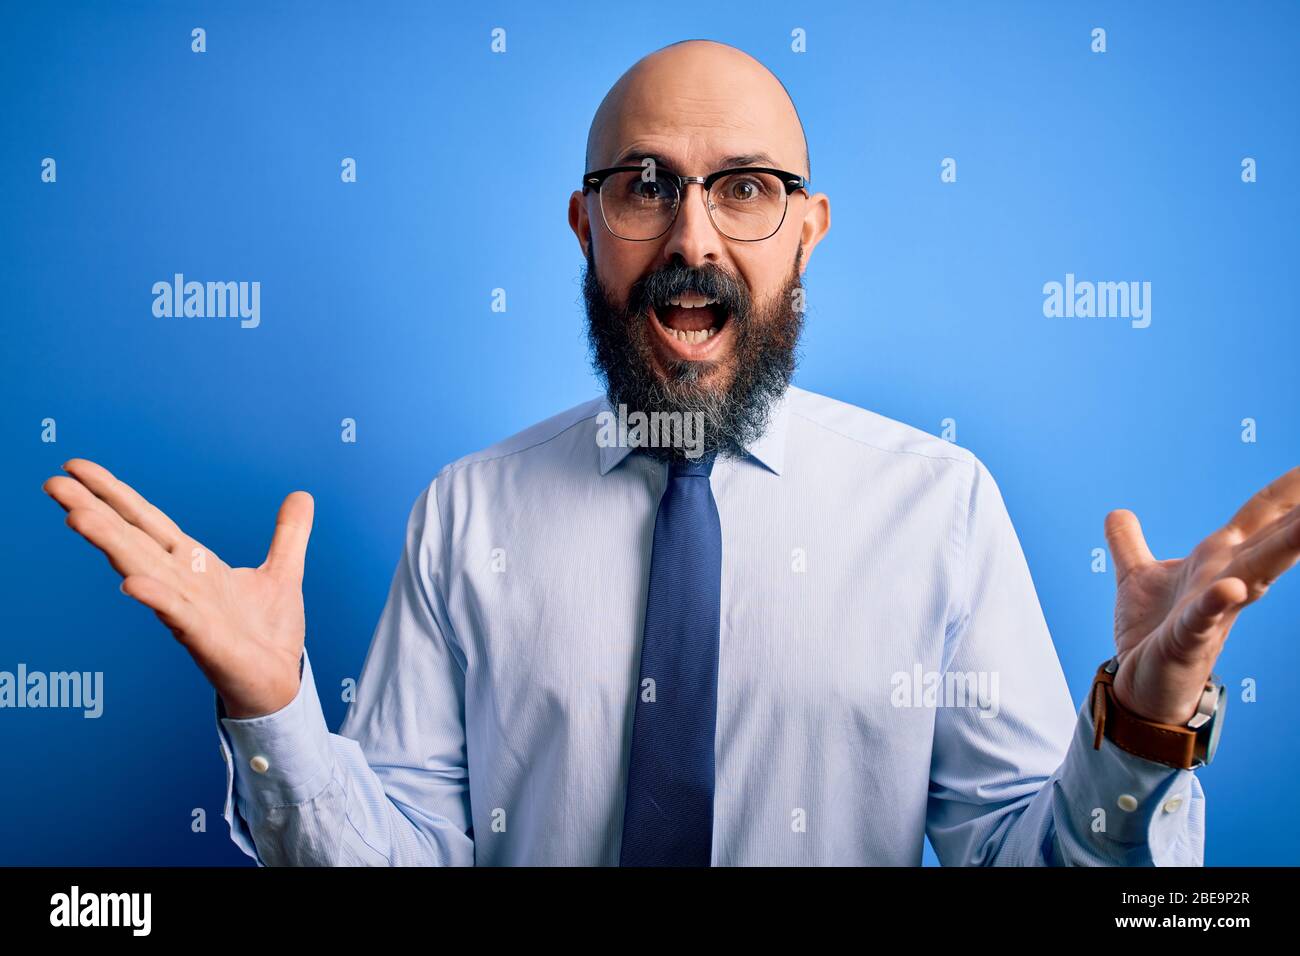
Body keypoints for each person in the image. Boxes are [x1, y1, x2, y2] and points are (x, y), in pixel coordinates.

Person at [43, 40, 1299, 866]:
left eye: (744, 187)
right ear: (587, 225)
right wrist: (278, 714)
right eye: (646, 185)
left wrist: (1141, 729)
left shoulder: (940, 511)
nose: (692, 234)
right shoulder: (463, 512)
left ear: (807, 231)